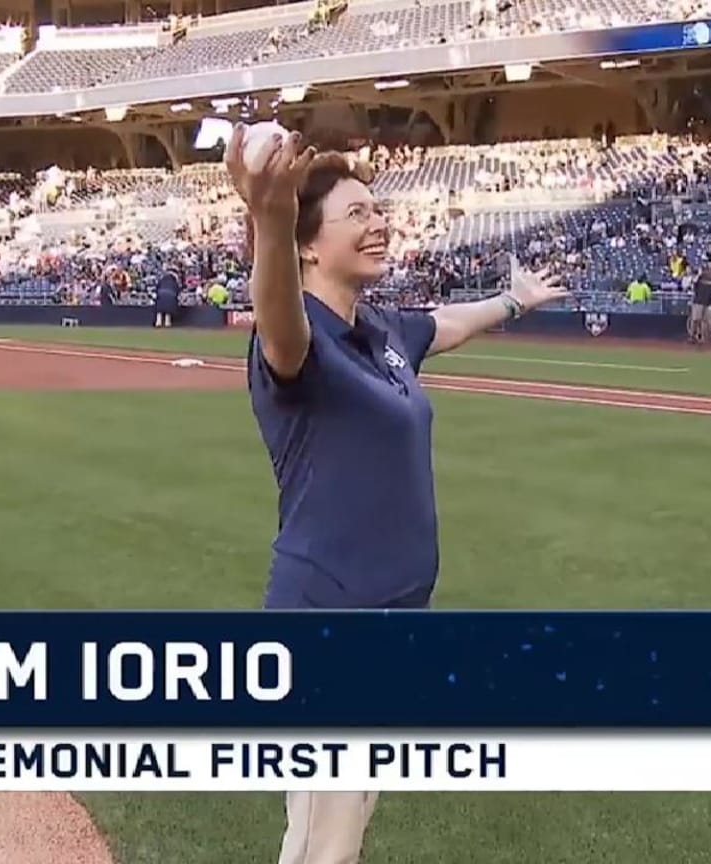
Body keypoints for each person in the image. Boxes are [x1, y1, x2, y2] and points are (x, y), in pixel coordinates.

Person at [225, 128, 567, 864]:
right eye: (356, 214)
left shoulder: (380, 332)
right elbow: (276, 313)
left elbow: (449, 324)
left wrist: (514, 299)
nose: (378, 222)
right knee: (323, 846)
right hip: (330, 618)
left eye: (378, 209)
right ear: (310, 246)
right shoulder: (298, 342)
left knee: (338, 831)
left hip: (393, 618)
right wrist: (271, 224)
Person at [687, 264, 711, 345]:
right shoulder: (697, 278)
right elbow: (693, 282)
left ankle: (703, 337)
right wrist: (699, 274)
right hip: (698, 301)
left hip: (708, 301)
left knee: (705, 321)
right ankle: (692, 336)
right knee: (695, 320)